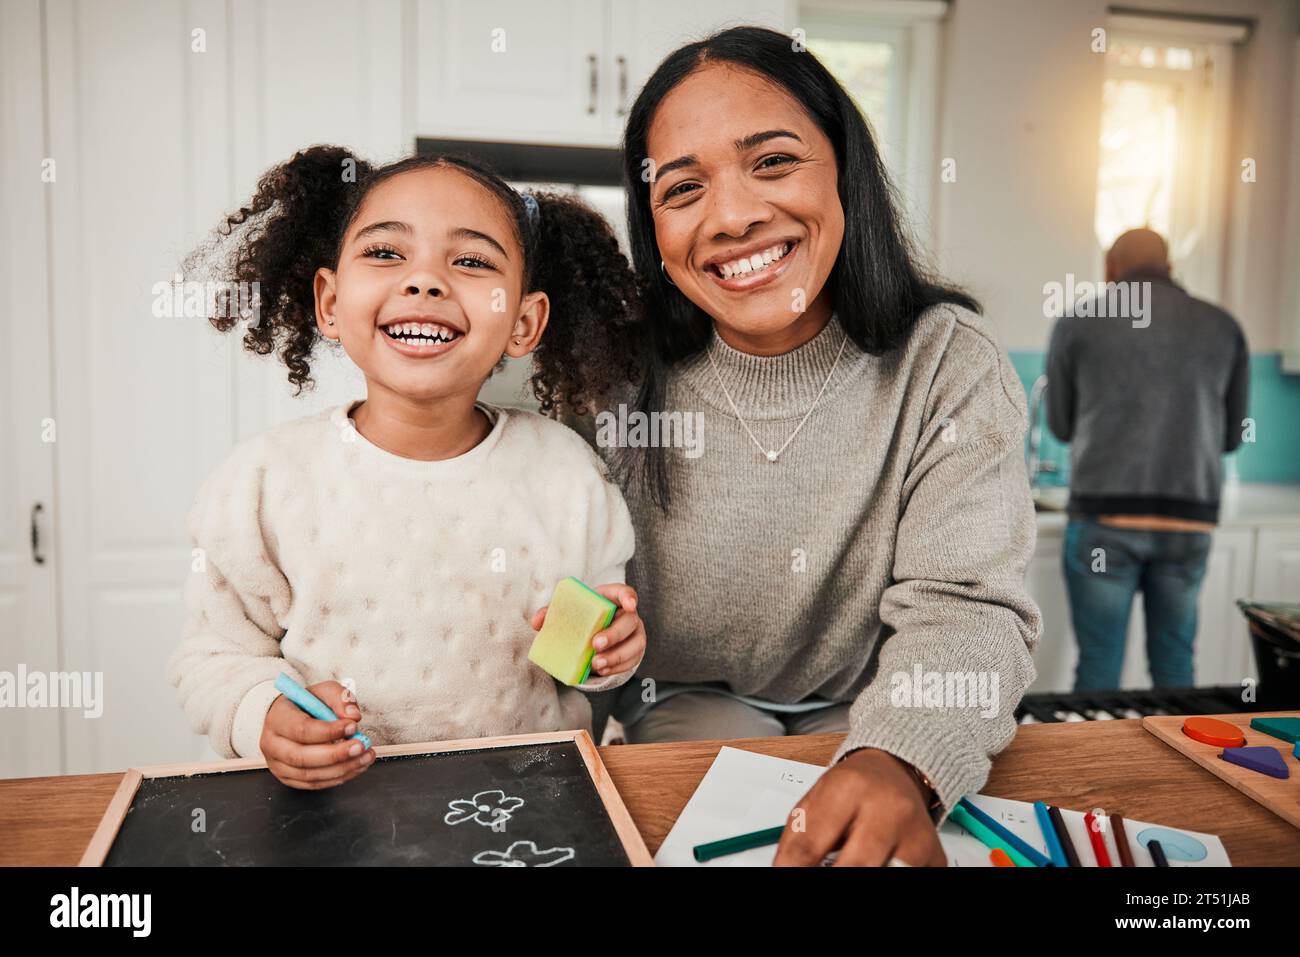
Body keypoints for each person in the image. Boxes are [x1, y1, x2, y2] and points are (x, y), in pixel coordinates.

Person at [562, 26, 1042, 866]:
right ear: (653, 227)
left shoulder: (948, 363)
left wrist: (902, 755)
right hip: (679, 704)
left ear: (845, 167)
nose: (736, 215)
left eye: (774, 161)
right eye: (682, 188)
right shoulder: (606, 369)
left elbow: (966, 609)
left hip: (878, 704)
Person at [167, 146, 646, 788]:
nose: (425, 281)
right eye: (387, 253)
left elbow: (583, 656)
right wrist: (264, 716)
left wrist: (606, 652)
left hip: (521, 803)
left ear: (525, 323)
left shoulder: (566, 473)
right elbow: (214, 655)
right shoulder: (264, 482)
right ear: (330, 302)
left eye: (472, 261)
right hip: (329, 814)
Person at [1046, 227, 1250, 690]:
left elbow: (1059, 425)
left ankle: (1098, 764)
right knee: (1175, 667)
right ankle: (1179, 763)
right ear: (1171, 267)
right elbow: (1233, 438)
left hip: (1104, 519)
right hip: (1188, 523)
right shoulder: (1223, 326)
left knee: (1098, 666)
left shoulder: (1079, 322)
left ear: (1111, 269)